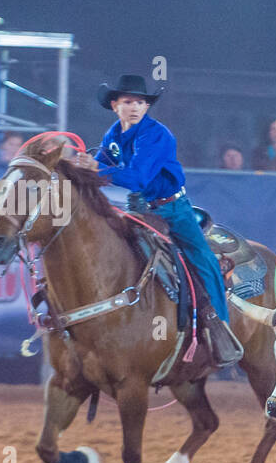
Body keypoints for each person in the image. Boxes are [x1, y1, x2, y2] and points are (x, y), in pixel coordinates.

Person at [77, 74, 242, 367]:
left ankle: (220, 328)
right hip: (138, 208)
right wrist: (80, 164)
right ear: (115, 105)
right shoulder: (113, 135)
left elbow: (138, 177)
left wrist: (96, 168)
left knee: (201, 257)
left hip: (172, 209)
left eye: (140, 102)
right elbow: (103, 161)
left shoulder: (157, 135)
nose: (135, 107)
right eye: (128, 102)